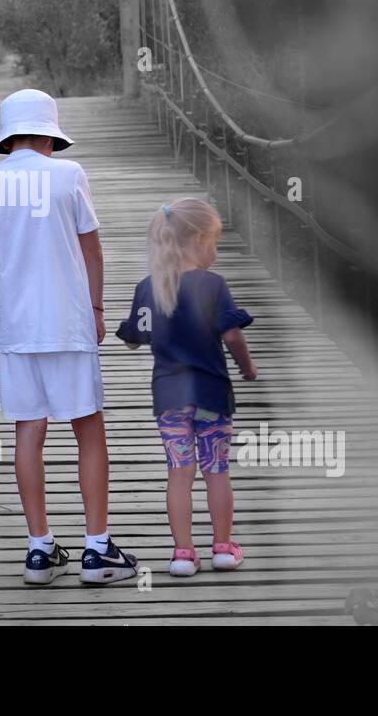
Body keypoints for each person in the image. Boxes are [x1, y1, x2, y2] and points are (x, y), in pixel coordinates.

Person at [0, 88, 138, 585]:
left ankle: (39, 551)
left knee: (28, 432)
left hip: (17, 333)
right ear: (48, 135)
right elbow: (93, 252)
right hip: (69, 324)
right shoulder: (69, 175)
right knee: (88, 431)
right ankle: (96, 551)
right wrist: (99, 307)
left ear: (9, 137)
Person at [116, 197, 258, 576]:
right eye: (214, 242)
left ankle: (182, 553)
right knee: (216, 469)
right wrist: (248, 369)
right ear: (197, 238)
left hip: (169, 397)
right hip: (210, 393)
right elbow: (231, 335)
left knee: (179, 472)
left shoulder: (149, 287)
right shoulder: (213, 285)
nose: (215, 250)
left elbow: (135, 336)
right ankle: (223, 548)